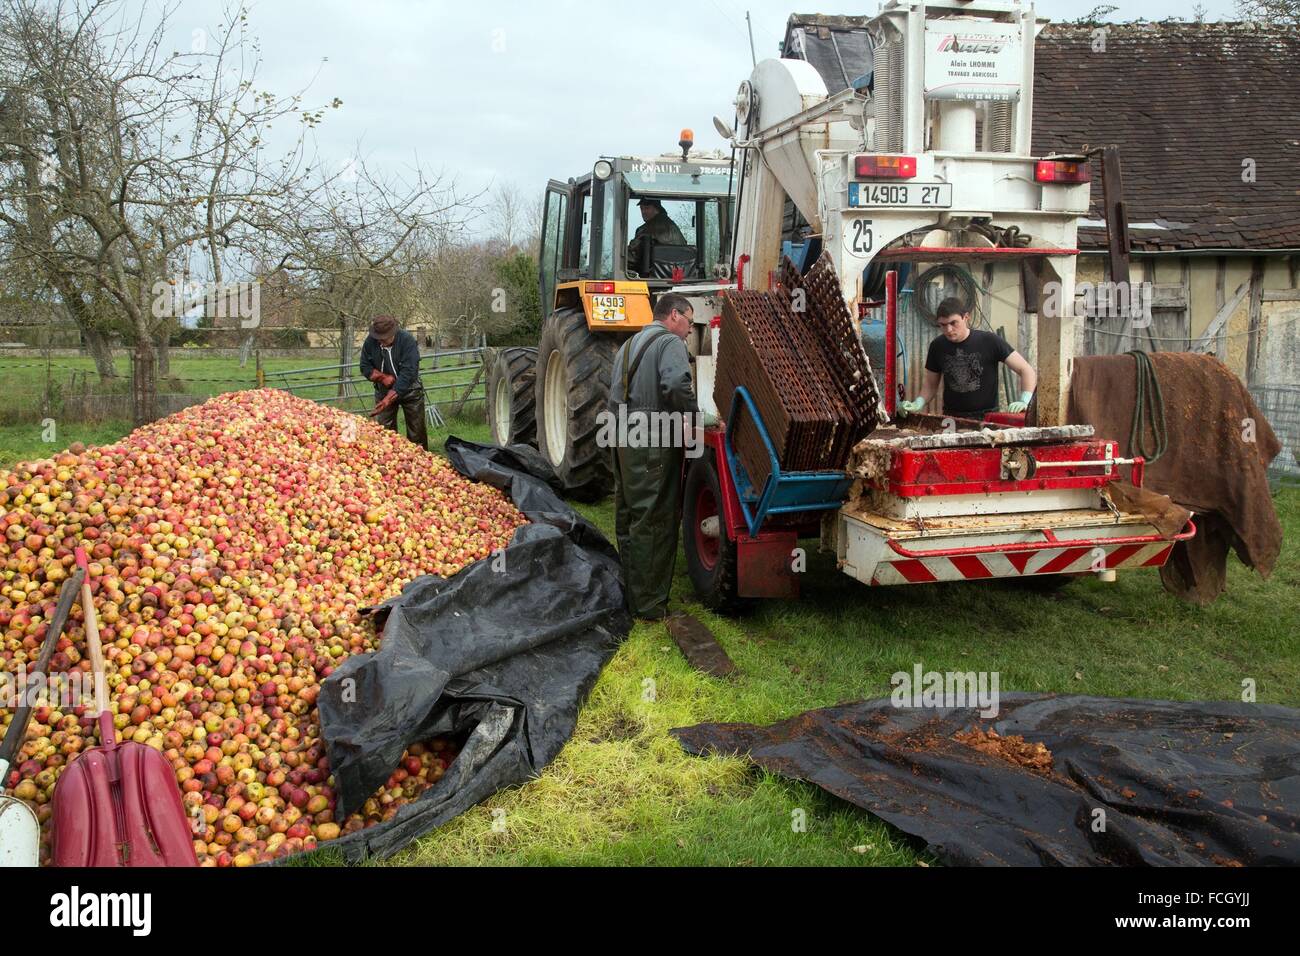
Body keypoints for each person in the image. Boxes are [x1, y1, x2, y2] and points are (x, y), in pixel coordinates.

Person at [607, 292, 699, 621]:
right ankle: (649, 605)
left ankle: (632, 592)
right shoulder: (670, 343)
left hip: (622, 437)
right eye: (689, 320)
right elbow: (675, 384)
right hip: (652, 440)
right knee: (655, 520)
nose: (690, 329)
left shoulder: (629, 345)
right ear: (674, 316)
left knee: (630, 515)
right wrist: (693, 416)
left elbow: (614, 397)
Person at [900, 297, 1037, 419]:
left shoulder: (989, 341)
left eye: (953, 323)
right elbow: (930, 385)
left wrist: (1025, 401)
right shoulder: (937, 346)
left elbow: (1026, 370)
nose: (948, 330)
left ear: (966, 317)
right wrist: (917, 403)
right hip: (951, 418)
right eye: (943, 325)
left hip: (987, 417)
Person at [359, 314, 428, 449]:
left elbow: (409, 372)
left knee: (416, 431)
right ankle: (391, 459)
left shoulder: (407, 340)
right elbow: (365, 367)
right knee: (385, 431)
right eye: (377, 338)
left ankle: (421, 459)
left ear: (393, 333)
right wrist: (382, 377)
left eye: (383, 338)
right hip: (383, 390)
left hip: (410, 389)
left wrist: (389, 398)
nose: (380, 341)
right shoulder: (370, 342)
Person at [627, 198, 687, 269]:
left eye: (647, 208)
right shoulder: (674, 227)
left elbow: (631, 258)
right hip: (680, 276)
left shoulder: (645, 230)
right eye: (641, 208)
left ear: (657, 209)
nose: (643, 212)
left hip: (651, 277)